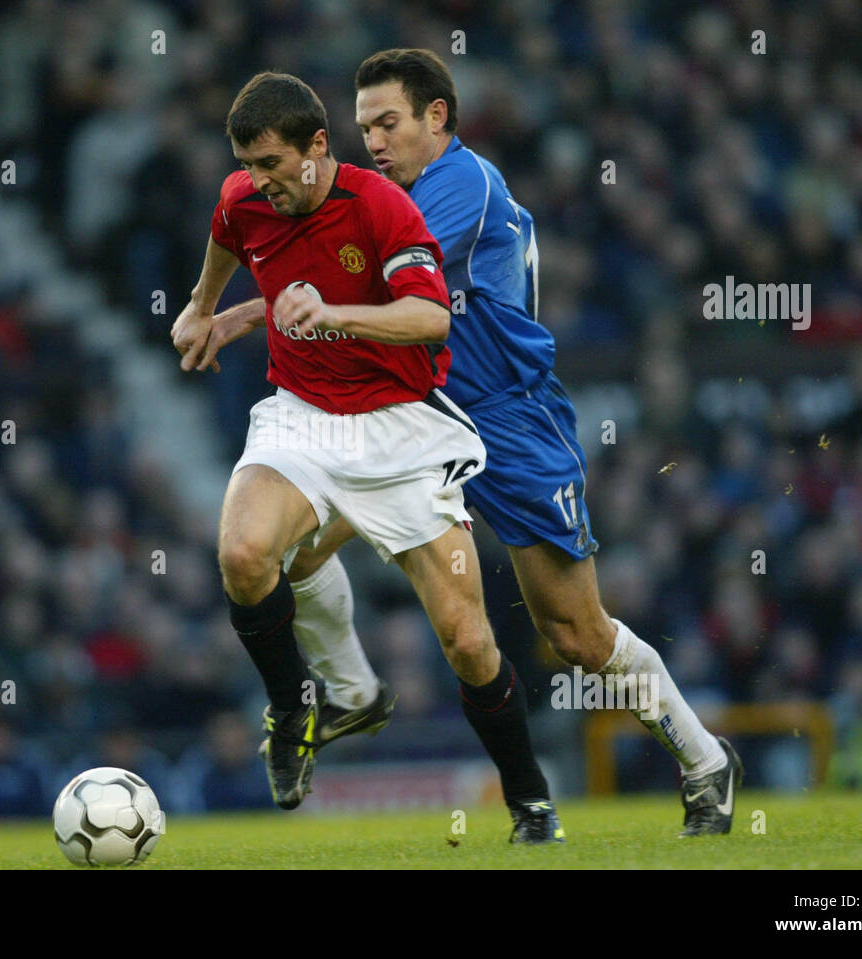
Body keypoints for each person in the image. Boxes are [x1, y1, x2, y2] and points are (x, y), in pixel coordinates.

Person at [196, 50, 743, 837]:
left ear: (437, 118)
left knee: (575, 635)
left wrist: (244, 313)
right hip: (410, 411)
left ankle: (705, 759)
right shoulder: (368, 193)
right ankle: (349, 693)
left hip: (508, 417)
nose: (375, 142)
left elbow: (378, 287)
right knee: (292, 552)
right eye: (365, 127)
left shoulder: (457, 185)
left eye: (390, 123)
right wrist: (238, 307)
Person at [172, 71, 563, 843]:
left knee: (469, 640)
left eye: (275, 165)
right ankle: (294, 710)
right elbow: (227, 232)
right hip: (302, 418)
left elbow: (428, 318)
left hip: (401, 432)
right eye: (250, 165)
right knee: (245, 552)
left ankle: (530, 803)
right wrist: (201, 305)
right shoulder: (242, 196)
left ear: (319, 147)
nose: (261, 181)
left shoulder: (381, 205)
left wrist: (331, 311)